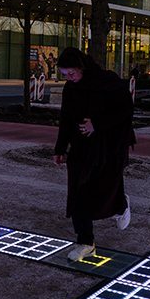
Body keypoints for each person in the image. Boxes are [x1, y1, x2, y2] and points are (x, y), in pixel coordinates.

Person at [52, 47, 134, 261]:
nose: (70, 79)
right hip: (81, 147)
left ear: (81, 67)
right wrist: (60, 149)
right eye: (65, 75)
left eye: (72, 73)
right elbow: (67, 119)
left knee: (104, 185)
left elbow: (125, 110)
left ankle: (120, 205)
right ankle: (85, 241)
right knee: (78, 192)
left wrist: (96, 124)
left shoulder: (108, 81)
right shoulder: (71, 89)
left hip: (107, 146)